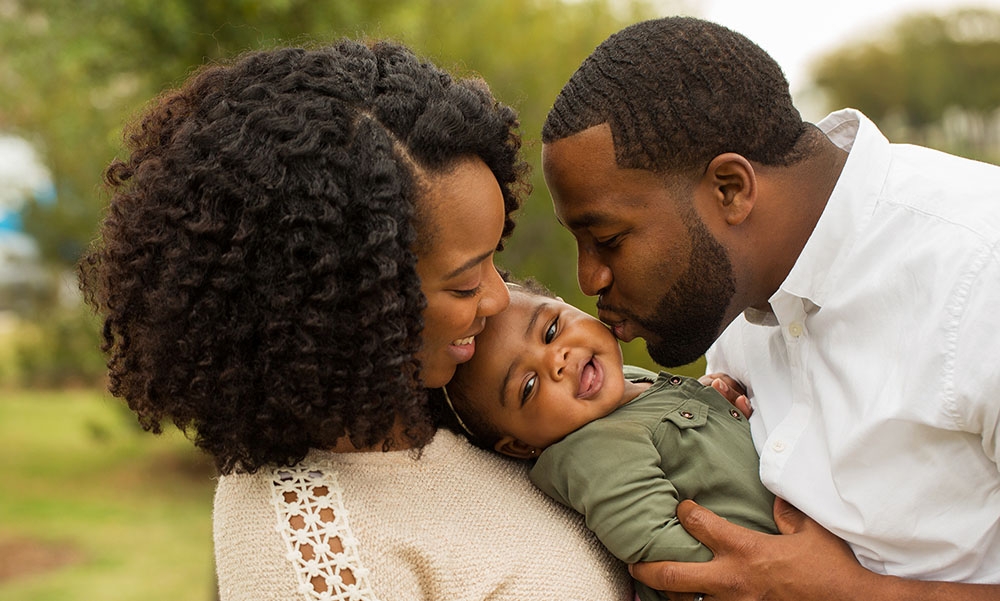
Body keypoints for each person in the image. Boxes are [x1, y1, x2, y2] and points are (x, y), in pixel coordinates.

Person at [79, 40, 631, 601]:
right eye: (465, 283)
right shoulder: (310, 544)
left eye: (495, 257)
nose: (497, 298)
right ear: (352, 303)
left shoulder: (477, 403)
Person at [540, 15, 1000, 601]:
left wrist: (852, 593)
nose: (588, 278)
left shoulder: (981, 272)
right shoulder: (735, 290)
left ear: (731, 189)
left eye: (607, 239)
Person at [444, 279, 776, 601]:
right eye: (529, 386)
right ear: (518, 445)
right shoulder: (591, 451)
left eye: (550, 331)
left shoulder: (624, 384)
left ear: (563, 304)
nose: (558, 361)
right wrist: (776, 575)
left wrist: (707, 401)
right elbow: (662, 547)